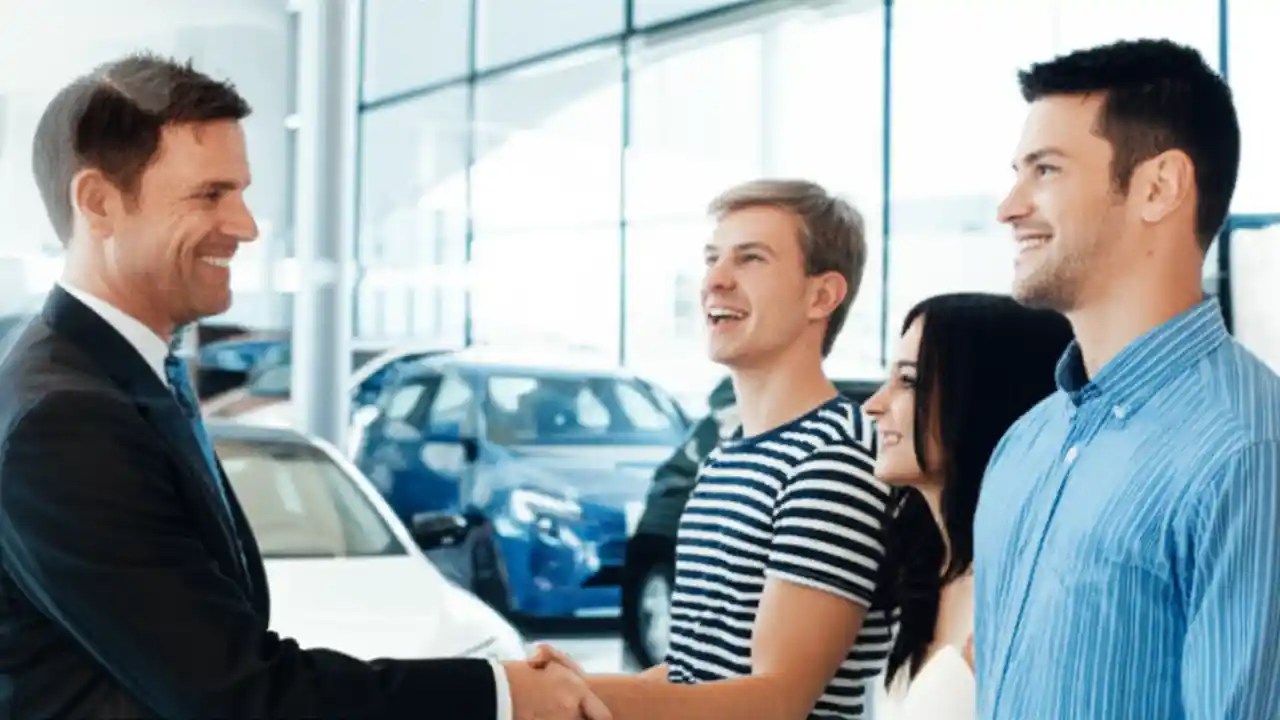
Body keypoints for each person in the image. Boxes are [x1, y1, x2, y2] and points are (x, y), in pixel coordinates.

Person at [0, 52, 608, 720]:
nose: (246, 226)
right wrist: (504, 693)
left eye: (242, 191)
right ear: (98, 202)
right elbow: (236, 694)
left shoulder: (111, 374)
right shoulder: (65, 417)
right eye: (210, 194)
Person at [974, 38, 1280, 719]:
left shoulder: (1250, 452)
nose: (1009, 207)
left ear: (1158, 187)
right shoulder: (1025, 444)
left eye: (1045, 170)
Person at [538, 179, 895, 719]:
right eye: (712, 259)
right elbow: (695, 674)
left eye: (750, 259)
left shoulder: (834, 459)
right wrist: (579, 685)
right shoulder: (728, 456)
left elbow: (774, 701)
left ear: (821, 296)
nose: (715, 281)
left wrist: (565, 694)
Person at [862, 293, 1072, 719]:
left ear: (981, 397)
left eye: (909, 382)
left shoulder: (1036, 590)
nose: (873, 404)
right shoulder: (927, 570)